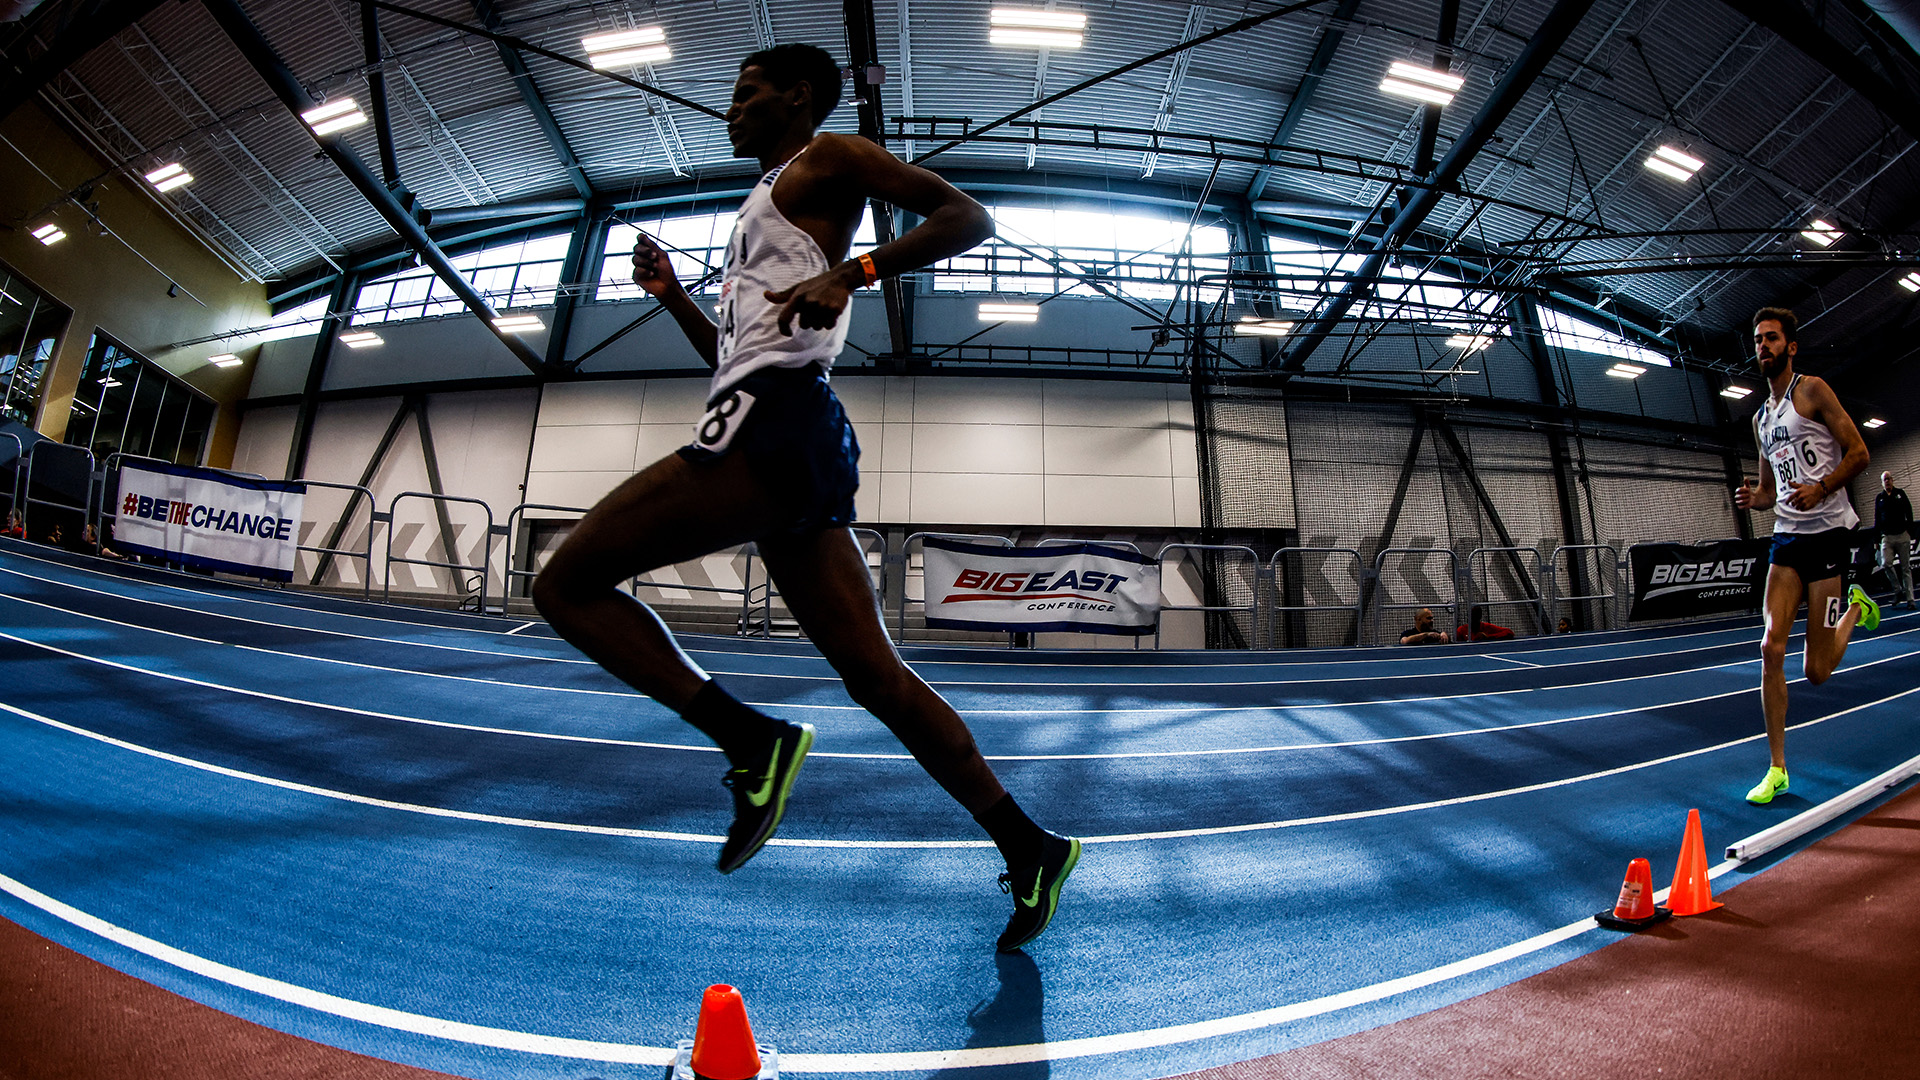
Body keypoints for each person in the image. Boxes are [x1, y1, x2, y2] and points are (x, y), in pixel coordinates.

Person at [532, 44, 1078, 953]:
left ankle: (751, 741)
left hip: (774, 423)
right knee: (874, 678)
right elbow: (740, 347)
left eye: (745, 94)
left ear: (795, 96)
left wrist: (855, 273)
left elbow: (968, 216)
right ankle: (1029, 844)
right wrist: (673, 298)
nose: (730, 110)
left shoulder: (828, 156)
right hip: (785, 428)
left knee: (565, 586)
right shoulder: (766, 204)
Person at [1733, 307, 1878, 806]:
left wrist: (1823, 487)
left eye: (1771, 339)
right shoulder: (1760, 419)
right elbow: (1771, 489)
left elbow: (1859, 453)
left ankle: (1855, 606)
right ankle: (1777, 769)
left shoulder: (1812, 390)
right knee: (1770, 648)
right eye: (1757, 341)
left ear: (1790, 347)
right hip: (1787, 539)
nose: (1763, 347)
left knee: (1816, 670)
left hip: (1830, 536)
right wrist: (1758, 498)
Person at [1875, 470, 1914, 609]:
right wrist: (1876, 539)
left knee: (1906, 568)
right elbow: (1877, 519)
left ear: (1892, 480)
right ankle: (1898, 590)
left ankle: (1910, 599)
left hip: (1902, 534)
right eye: (1885, 479)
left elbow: (1909, 511)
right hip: (1887, 536)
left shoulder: (1900, 494)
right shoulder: (1879, 498)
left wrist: (1909, 530)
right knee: (1886, 563)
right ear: (1882, 482)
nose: (1887, 481)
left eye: (1889, 479)